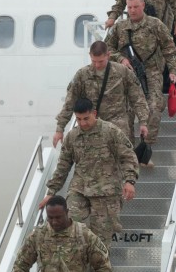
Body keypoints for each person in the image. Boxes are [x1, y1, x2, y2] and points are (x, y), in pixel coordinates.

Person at [42, 97, 139, 243]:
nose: (82, 123)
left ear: (94, 113)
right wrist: (51, 192)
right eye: (79, 119)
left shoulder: (111, 132)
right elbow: (63, 166)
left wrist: (129, 181)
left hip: (106, 191)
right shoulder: (73, 136)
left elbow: (128, 157)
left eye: (86, 118)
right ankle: (74, 263)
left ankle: (99, 265)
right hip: (79, 189)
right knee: (68, 224)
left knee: (101, 240)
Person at [106, 0, 176, 156]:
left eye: (136, 7)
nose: (132, 10)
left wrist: (173, 70)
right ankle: (130, 154)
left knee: (154, 109)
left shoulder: (155, 25)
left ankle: (146, 148)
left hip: (152, 73)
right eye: (129, 7)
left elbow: (170, 50)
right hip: (127, 75)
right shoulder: (120, 27)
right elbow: (107, 49)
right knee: (127, 115)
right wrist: (121, 59)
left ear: (143, 6)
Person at [53, 41, 150, 146]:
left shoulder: (122, 72)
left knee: (123, 158)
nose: (97, 65)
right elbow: (70, 102)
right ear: (90, 55)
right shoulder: (82, 75)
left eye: (101, 61)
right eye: (94, 61)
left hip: (118, 125)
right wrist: (60, 129)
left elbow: (137, 98)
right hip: (92, 125)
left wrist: (143, 122)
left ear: (108, 55)